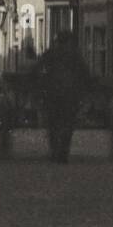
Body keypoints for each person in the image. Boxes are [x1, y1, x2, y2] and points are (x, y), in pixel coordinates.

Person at [36, 31, 91, 163]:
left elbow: (38, 67)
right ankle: (63, 153)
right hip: (70, 95)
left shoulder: (51, 53)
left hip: (53, 93)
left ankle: (55, 151)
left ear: (57, 41)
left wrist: (38, 81)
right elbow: (85, 72)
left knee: (53, 123)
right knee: (68, 123)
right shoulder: (75, 55)